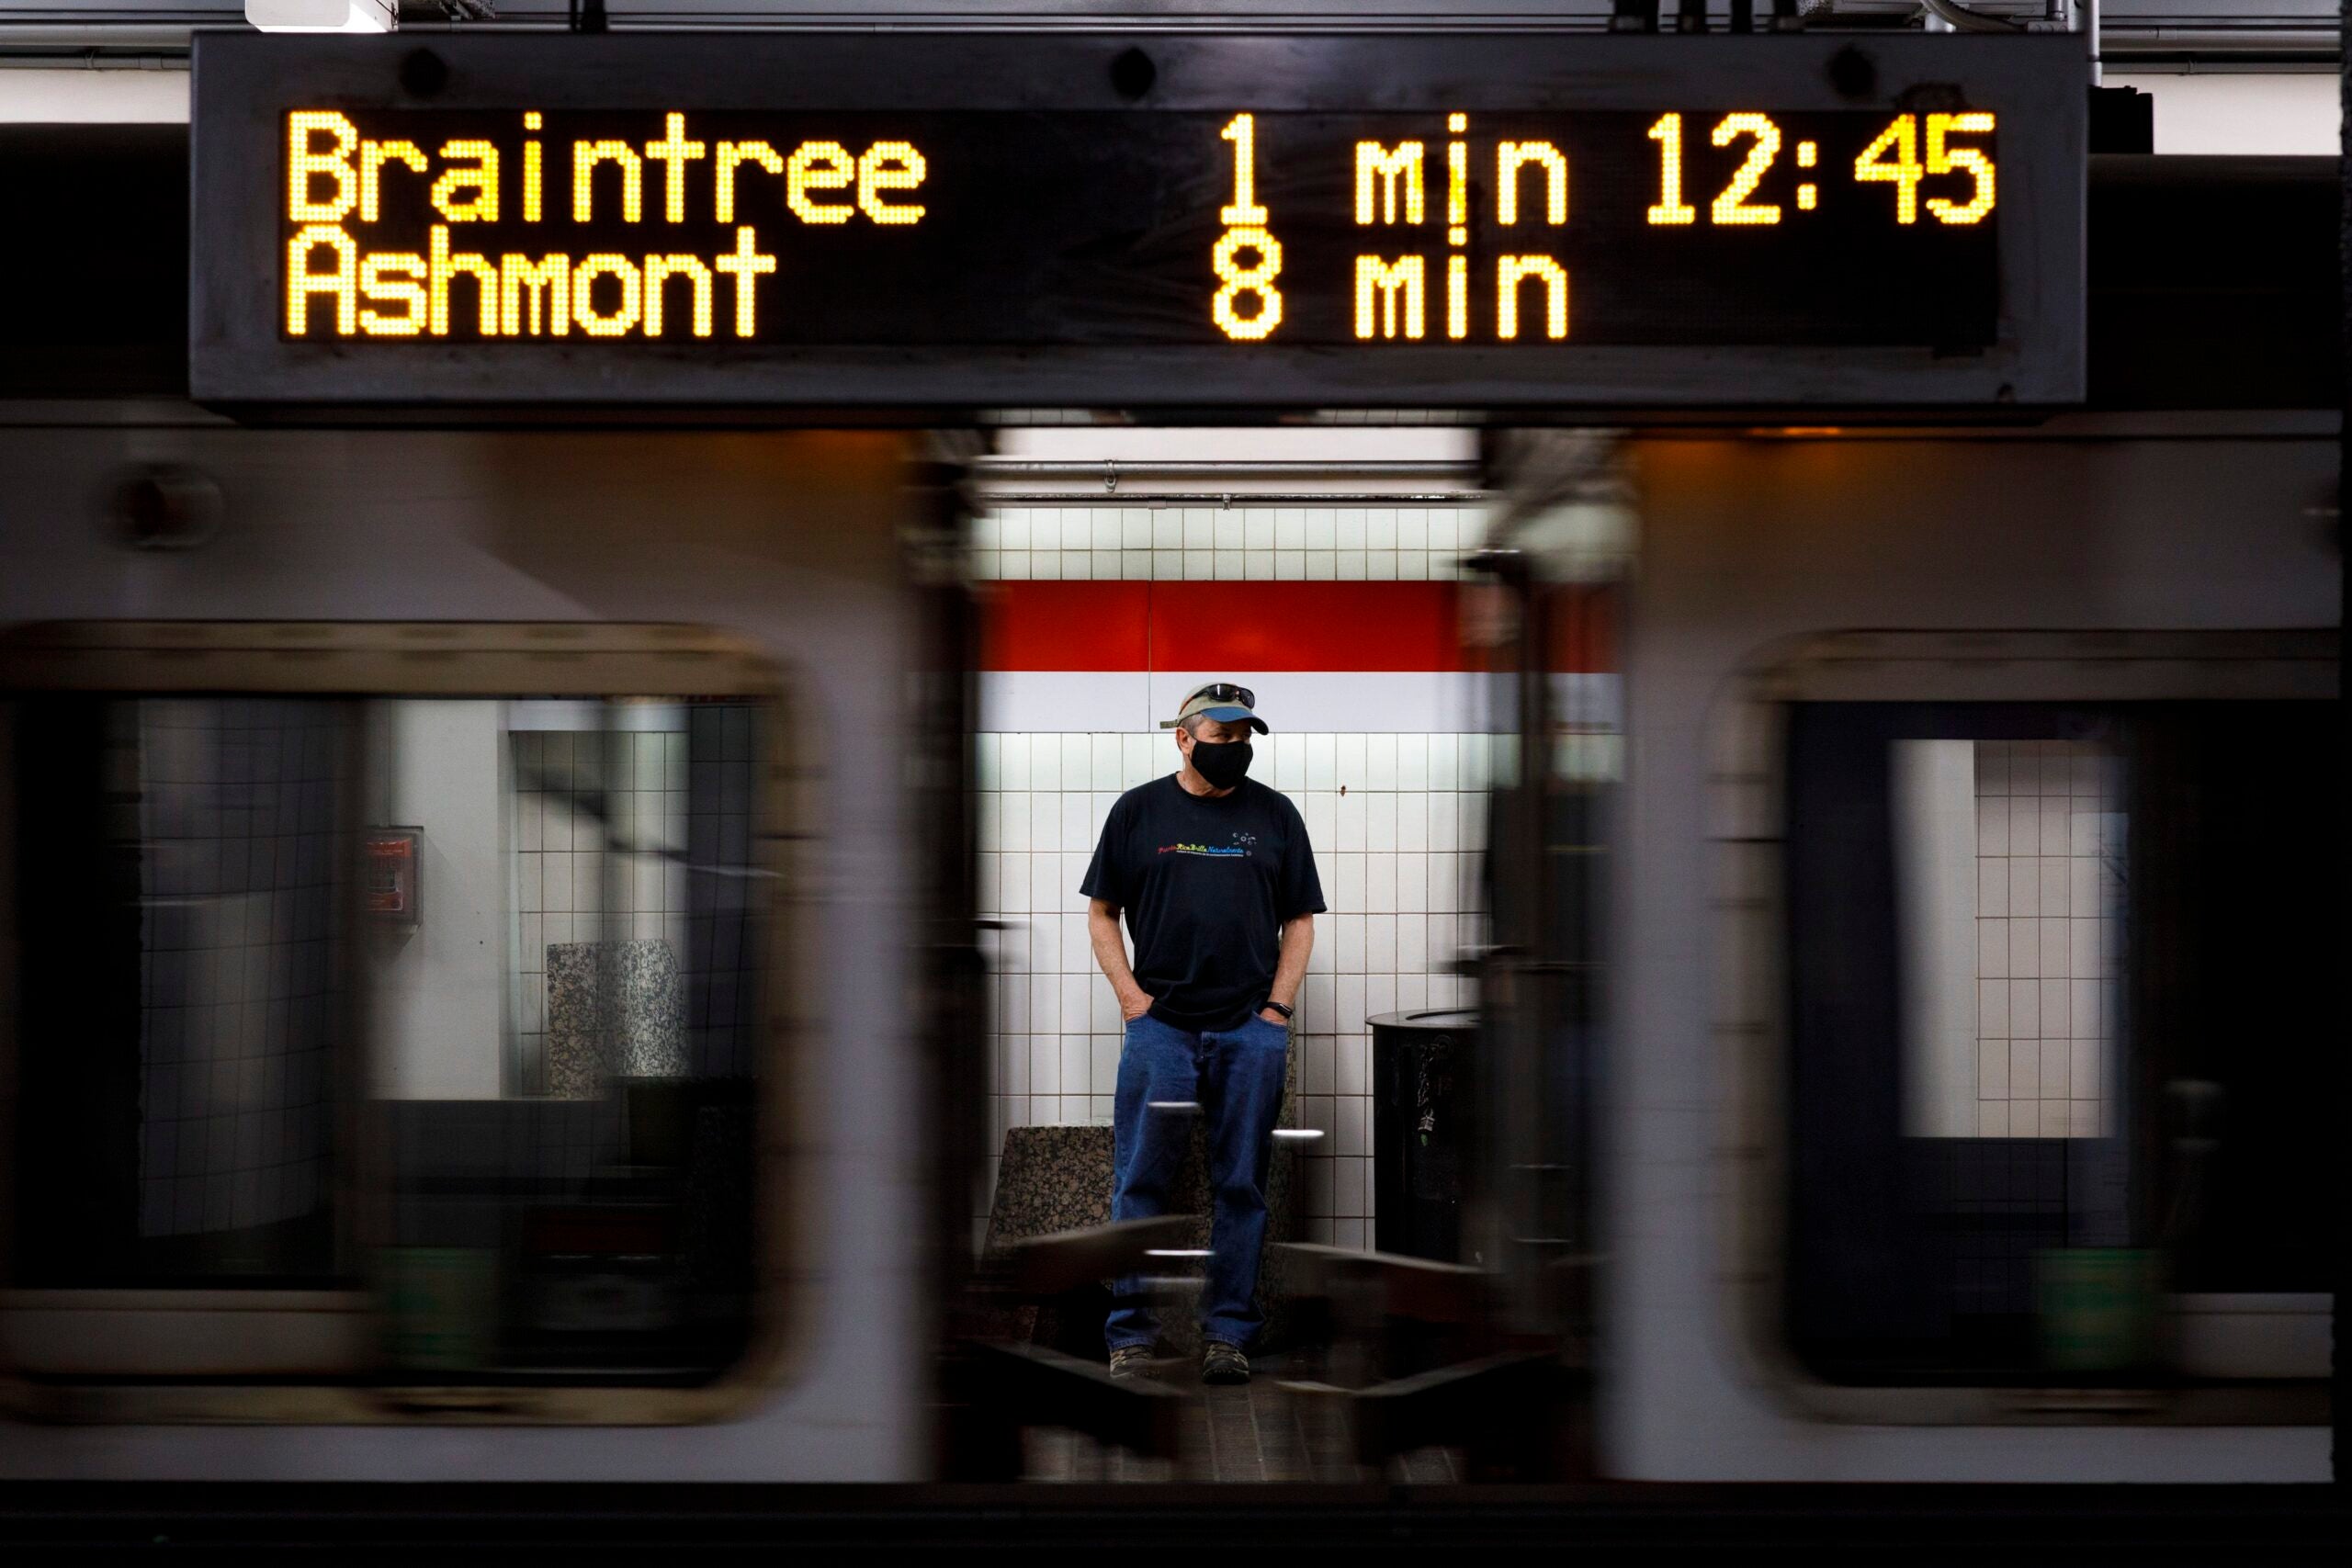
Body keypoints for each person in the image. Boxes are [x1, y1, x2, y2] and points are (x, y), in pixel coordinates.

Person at [1080, 681, 1325, 1385]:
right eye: (1224, 738)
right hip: (1162, 1030)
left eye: (1246, 737)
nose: (1238, 749)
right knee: (1139, 1183)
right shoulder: (1137, 810)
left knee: (1242, 1184)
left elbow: (1300, 920)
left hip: (1248, 1029)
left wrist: (1275, 1011)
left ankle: (1228, 1335)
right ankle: (1129, 1335)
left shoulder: (1276, 815)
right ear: (1184, 738)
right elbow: (1102, 911)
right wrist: (1132, 999)